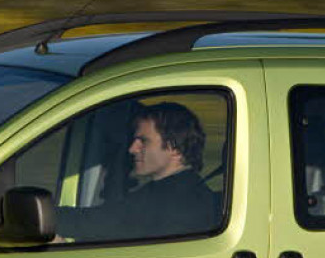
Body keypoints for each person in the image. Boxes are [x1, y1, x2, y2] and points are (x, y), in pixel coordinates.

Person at [57, 102, 218, 242]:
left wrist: (40, 215)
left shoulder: (160, 201)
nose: (132, 149)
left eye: (143, 141)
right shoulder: (198, 193)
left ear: (174, 148)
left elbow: (90, 223)